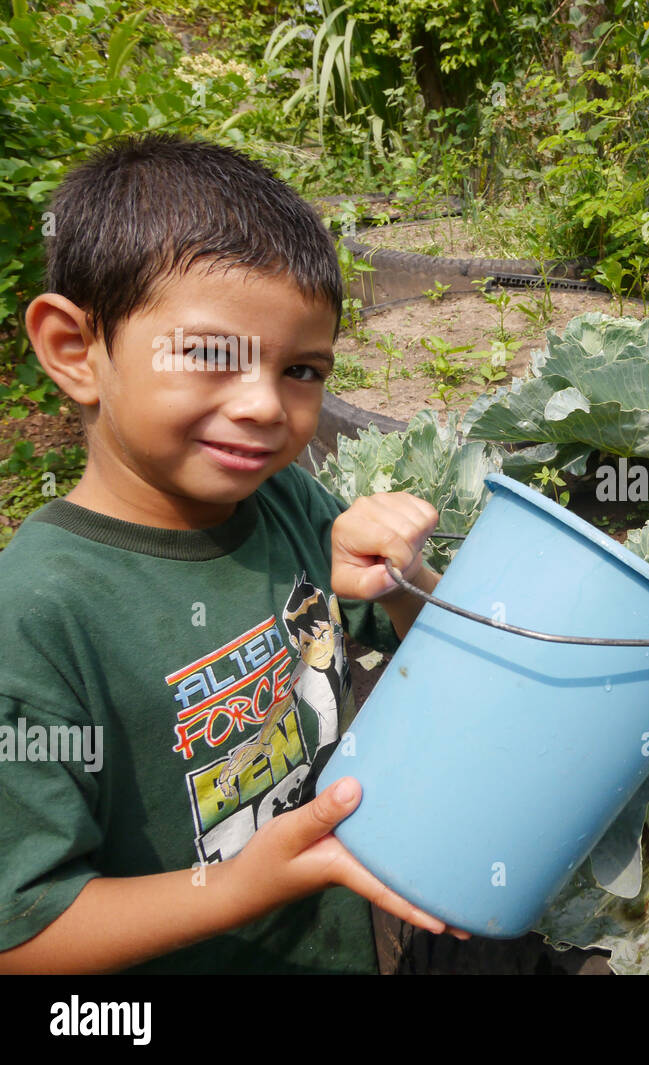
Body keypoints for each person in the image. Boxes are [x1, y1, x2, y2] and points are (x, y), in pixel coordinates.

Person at [0, 133, 469, 973]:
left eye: (301, 369)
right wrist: (242, 885)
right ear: (77, 350)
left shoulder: (280, 500)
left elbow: (418, 647)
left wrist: (403, 582)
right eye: (213, 354)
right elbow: (26, 931)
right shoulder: (37, 617)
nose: (264, 405)